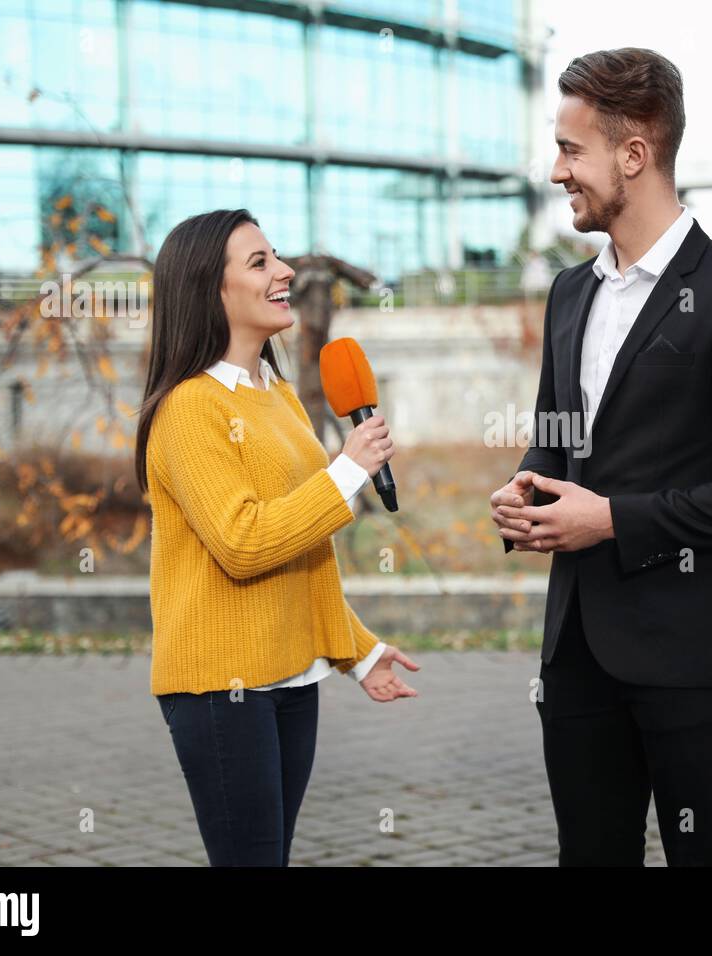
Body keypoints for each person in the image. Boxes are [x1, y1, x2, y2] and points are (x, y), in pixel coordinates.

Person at [489, 49, 712, 866]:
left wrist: (612, 521)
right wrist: (524, 491)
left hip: (695, 658)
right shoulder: (569, 292)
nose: (556, 171)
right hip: (575, 656)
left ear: (634, 155)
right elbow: (557, 440)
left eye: (571, 150)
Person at [135, 208, 419, 867]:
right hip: (220, 688)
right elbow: (243, 543)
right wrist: (348, 469)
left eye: (277, 257)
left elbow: (307, 555)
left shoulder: (281, 397)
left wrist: (359, 652)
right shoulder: (188, 408)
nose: (284, 270)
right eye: (259, 262)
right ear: (213, 289)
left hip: (294, 680)